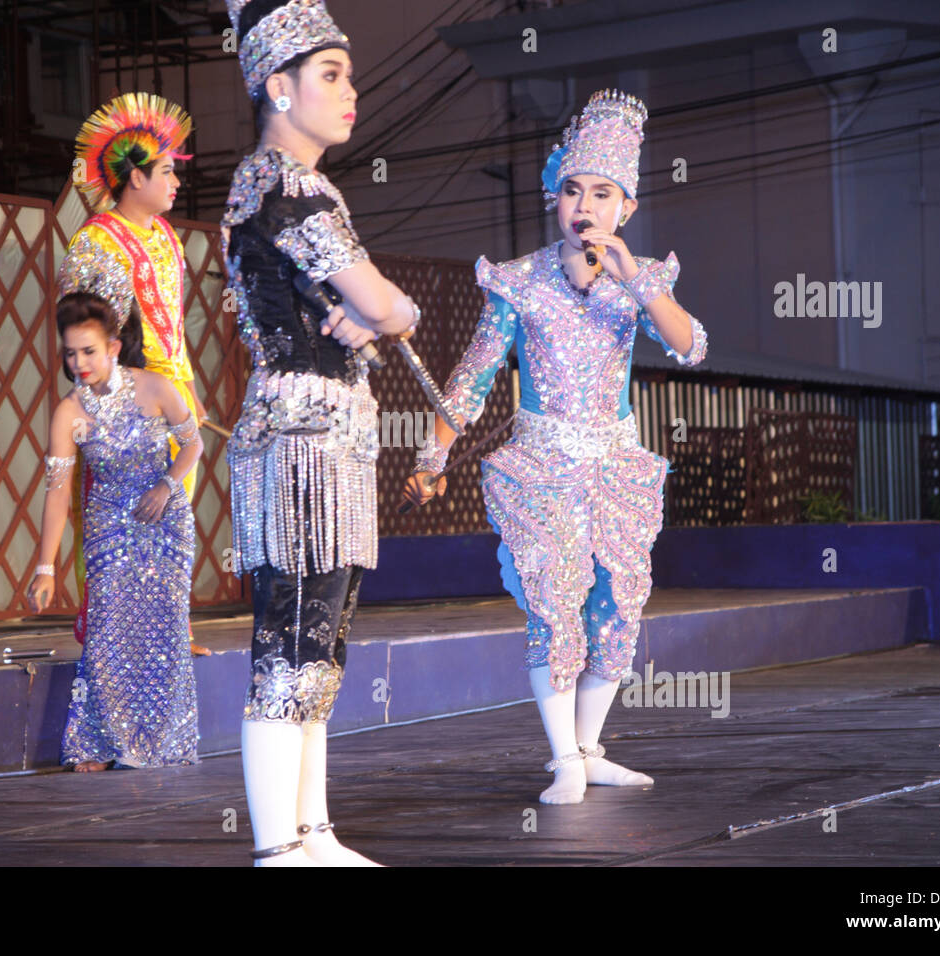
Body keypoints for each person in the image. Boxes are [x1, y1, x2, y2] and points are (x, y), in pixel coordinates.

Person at [404, 90, 708, 805]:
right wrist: (431, 458)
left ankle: (591, 746)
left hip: (615, 461)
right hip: (542, 465)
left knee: (620, 606)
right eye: (573, 189)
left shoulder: (640, 283)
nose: (585, 205)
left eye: (602, 193)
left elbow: (692, 347)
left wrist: (638, 282)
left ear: (624, 208)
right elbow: (473, 377)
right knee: (555, 604)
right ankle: (562, 758)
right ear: (555, 195)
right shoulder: (517, 281)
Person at [222, 0, 421, 864]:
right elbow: (379, 301)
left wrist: (370, 317)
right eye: (331, 75)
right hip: (301, 440)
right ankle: (278, 848)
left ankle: (312, 835)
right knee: (295, 639)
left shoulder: (296, 186)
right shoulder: (284, 183)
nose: (351, 92)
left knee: (320, 645)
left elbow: (359, 312)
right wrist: (389, 310)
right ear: (277, 85)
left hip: (325, 436)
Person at [56, 91, 211, 656]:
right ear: (135, 177)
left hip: (169, 393)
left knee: (171, 511)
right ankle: (110, 627)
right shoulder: (95, 242)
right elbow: (84, 336)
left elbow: (173, 325)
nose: (176, 182)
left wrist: (188, 391)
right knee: (114, 514)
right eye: (168, 171)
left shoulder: (167, 238)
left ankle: (171, 625)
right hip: (122, 399)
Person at [28, 291, 203, 771]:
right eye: (70, 352)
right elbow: (58, 494)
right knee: (108, 632)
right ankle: (102, 743)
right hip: (108, 527)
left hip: (164, 523)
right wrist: (46, 567)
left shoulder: (156, 387)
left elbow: (193, 444)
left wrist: (167, 487)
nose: (78, 362)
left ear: (113, 347)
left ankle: (163, 740)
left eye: (88, 351)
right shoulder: (70, 413)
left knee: (164, 632)